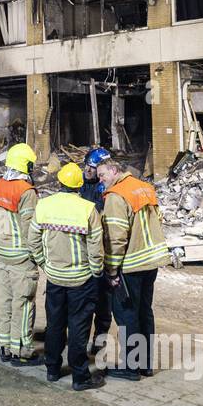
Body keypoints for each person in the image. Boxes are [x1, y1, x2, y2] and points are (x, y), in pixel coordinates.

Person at [30, 162, 105, 389]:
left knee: (54, 324)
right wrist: (96, 270)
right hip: (82, 279)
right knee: (79, 327)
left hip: (54, 278)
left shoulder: (43, 206)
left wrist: (45, 263)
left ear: (60, 182)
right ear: (79, 185)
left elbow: (32, 240)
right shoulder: (87, 209)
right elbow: (95, 245)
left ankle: (52, 369)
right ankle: (80, 377)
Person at [97, 155, 168, 379]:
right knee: (144, 312)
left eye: (103, 175)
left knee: (127, 315)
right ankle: (145, 364)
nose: (101, 180)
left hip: (132, 264)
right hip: (151, 262)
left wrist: (111, 270)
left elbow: (116, 238)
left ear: (114, 171)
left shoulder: (116, 196)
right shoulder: (144, 188)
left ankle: (130, 367)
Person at [0, 142, 40, 364]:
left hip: (3, 255)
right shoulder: (26, 192)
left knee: (6, 301)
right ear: (25, 165)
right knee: (23, 304)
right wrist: (38, 255)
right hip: (22, 258)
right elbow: (31, 228)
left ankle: (4, 345)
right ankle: (22, 352)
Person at [82, 146, 112, 357]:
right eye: (87, 167)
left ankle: (99, 341)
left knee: (103, 303)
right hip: (82, 250)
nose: (88, 171)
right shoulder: (80, 183)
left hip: (100, 250)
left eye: (92, 169)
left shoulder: (105, 190)